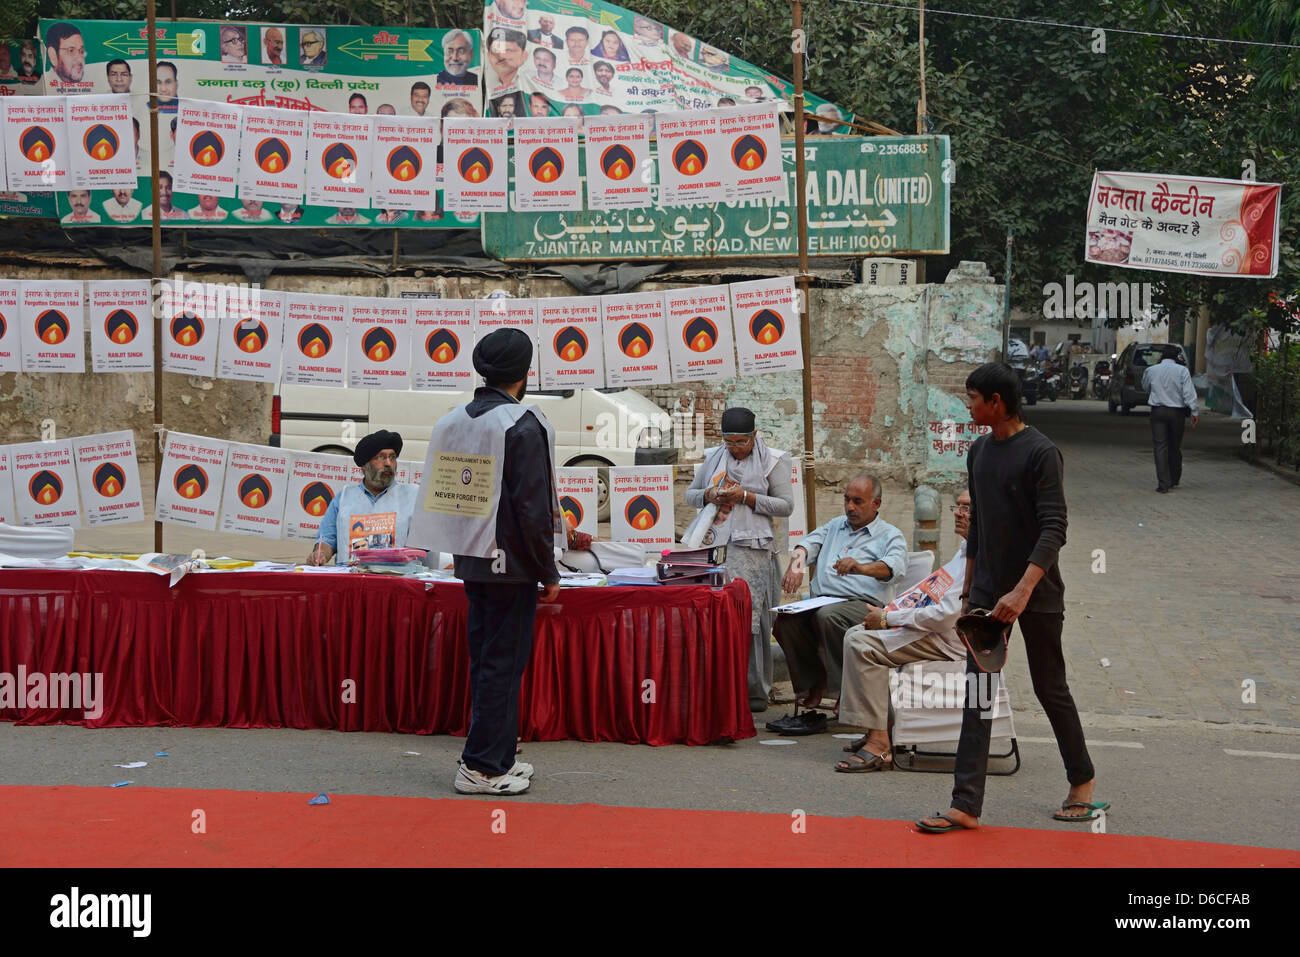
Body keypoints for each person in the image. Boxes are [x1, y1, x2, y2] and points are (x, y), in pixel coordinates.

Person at [915, 363, 1100, 834]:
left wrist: (1022, 589)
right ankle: (965, 805)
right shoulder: (978, 451)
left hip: (1035, 593)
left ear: (996, 402)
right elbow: (977, 525)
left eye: (973, 398)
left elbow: (1054, 529)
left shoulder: (1041, 453)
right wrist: (968, 589)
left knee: (1049, 687)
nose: (968, 406)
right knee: (978, 691)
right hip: (986, 593)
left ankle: (1082, 781)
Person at [419, 328, 562, 795]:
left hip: (471, 559)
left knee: (488, 660)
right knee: (502, 663)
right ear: (526, 373)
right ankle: (480, 768)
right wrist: (549, 570)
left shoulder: (451, 419)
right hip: (511, 563)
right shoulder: (523, 423)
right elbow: (532, 509)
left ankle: (496, 757)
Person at [835, 489, 971, 771]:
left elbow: (945, 616)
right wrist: (889, 614)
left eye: (968, 509)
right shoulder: (967, 548)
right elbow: (929, 595)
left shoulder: (983, 555)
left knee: (863, 645)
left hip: (950, 639)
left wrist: (888, 619)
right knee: (854, 634)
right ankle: (880, 727)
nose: (959, 513)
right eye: (957, 507)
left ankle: (880, 743)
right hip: (931, 628)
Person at [684, 407, 794, 711]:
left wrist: (746, 497)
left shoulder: (772, 463)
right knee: (718, 617)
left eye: (741, 443)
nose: (735, 449)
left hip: (754, 552)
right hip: (716, 548)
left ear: (754, 436)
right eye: (729, 442)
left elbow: (786, 506)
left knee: (752, 620)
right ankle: (720, 688)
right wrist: (710, 494)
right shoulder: (714, 458)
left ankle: (755, 692)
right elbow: (690, 495)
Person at [774, 475, 907, 716]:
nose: (849, 507)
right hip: (824, 600)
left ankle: (846, 690)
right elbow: (807, 545)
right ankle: (814, 683)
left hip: (866, 605)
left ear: (876, 504)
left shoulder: (890, 535)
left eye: (858, 502)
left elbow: (892, 568)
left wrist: (862, 568)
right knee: (785, 620)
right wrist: (796, 565)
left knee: (828, 617)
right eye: (847, 500)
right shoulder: (835, 526)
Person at [308, 430, 419, 565]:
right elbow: (327, 539)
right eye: (381, 457)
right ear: (365, 466)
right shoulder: (344, 497)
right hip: (350, 580)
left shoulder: (412, 495)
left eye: (393, 457)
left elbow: (424, 541)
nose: (388, 463)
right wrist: (320, 554)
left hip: (395, 580)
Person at [1142, 345, 1198, 493]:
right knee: (1174, 445)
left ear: (1161, 357)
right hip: (1176, 413)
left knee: (1160, 447)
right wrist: (1194, 411)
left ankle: (1163, 483)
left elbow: (1145, 387)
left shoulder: (1151, 370)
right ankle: (1174, 478)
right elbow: (1188, 393)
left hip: (1158, 412)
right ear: (1175, 358)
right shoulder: (1182, 371)